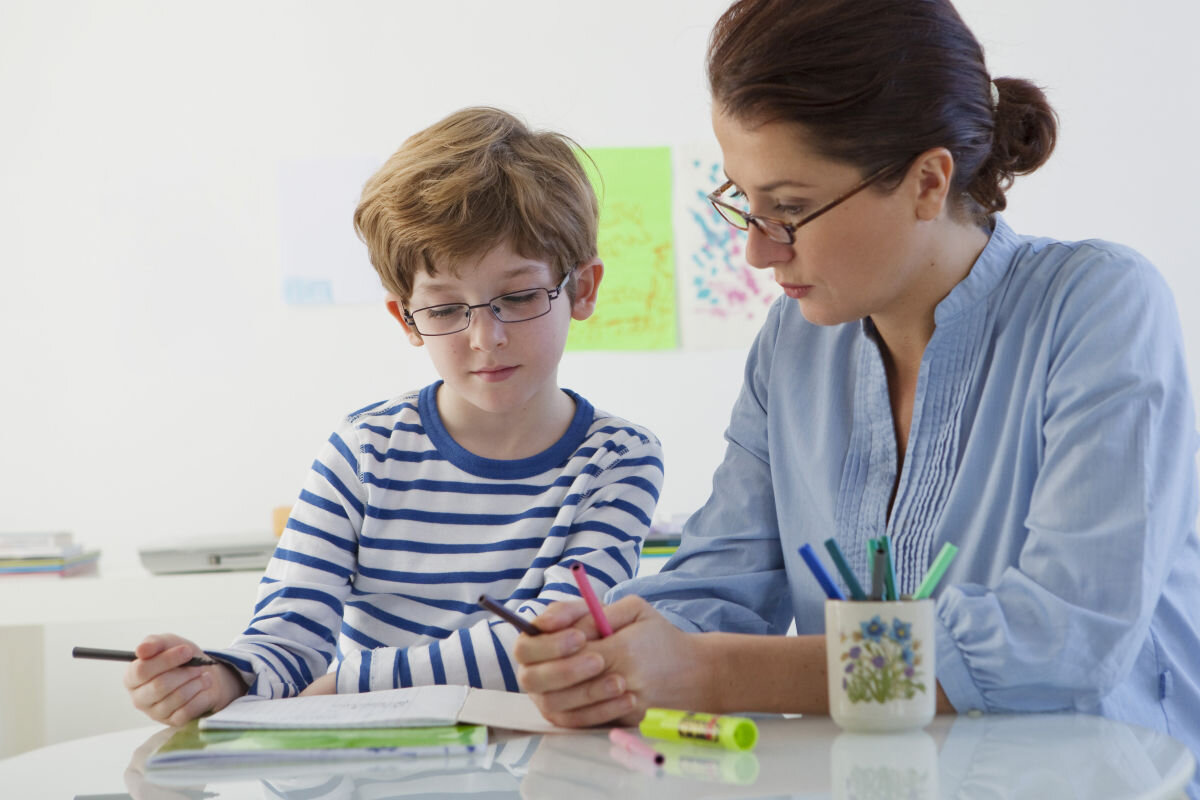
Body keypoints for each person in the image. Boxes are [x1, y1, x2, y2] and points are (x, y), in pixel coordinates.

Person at [514, 0, 1200, 792]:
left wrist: (712, 673)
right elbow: (721, 580)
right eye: (744, 202)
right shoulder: (795, 343)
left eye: (792, 209)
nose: (757, 249)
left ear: (926, 181)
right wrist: (613, 652)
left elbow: (1063, 641)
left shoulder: (1101, 304)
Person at [123, 107, 665, 725]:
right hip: (380, 765)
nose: (485, 337)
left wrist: (351, 684)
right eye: (443, 309)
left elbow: (558, 643)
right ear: (406, 320)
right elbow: (288, 634)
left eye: (516, 296)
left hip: (545, 763)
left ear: (584, 289)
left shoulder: (620, 457)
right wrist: (219, 677)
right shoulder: (365, 450)